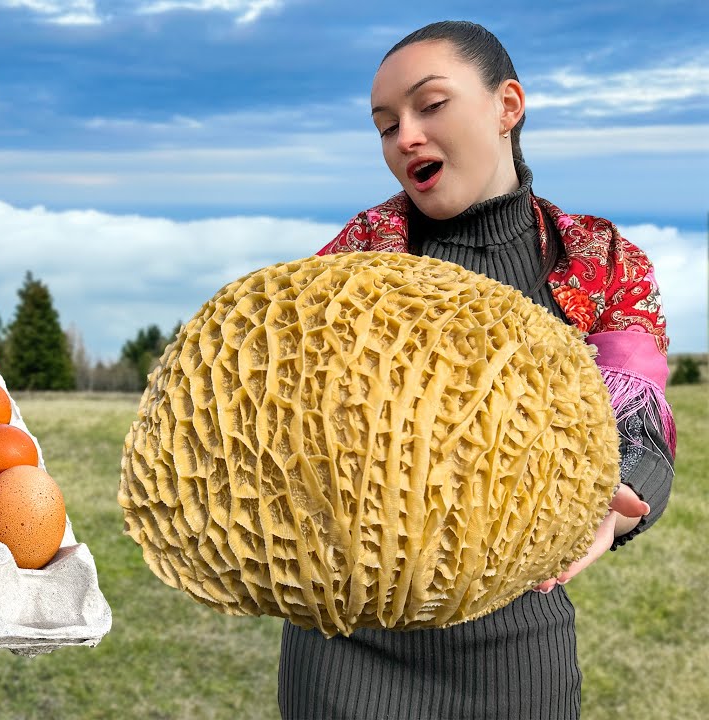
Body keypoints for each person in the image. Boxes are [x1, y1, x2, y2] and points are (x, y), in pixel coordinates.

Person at [278, 20, 677, 719]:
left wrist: (612, 506)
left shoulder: (605, 262)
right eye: (385, 124)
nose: (405, 137)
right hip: (346, 647)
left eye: (430, 106)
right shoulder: (347, 266)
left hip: (518, 652)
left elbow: (640, 427)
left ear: (508, 106)